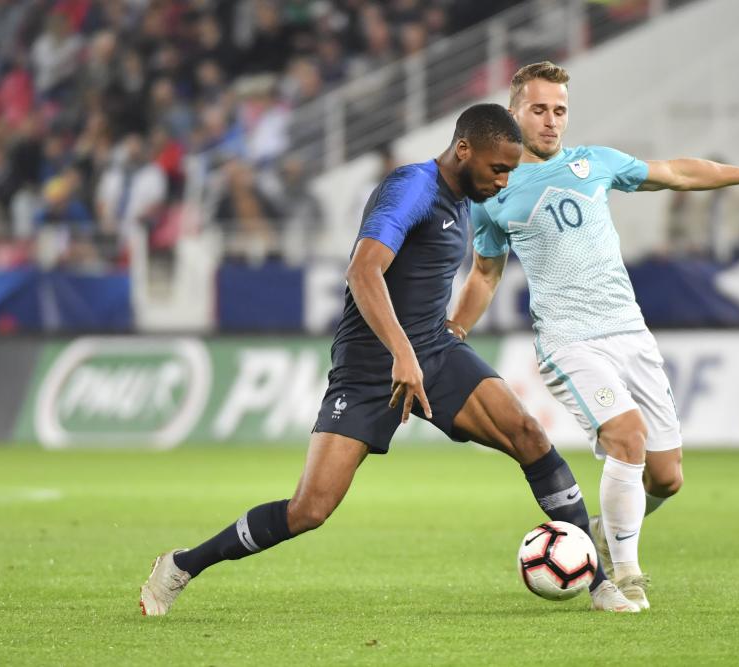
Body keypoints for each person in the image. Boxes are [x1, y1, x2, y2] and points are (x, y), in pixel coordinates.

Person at [139, 103, 638, 616]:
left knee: (530, 437)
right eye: (497, 168)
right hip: (369, 366)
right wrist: (401, 354)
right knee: (309, 509)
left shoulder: (467, 196)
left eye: (511, 170)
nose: (504, 180)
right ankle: (180, 566)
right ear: (463, 149)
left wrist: (437, 340)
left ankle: (600, 584)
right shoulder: (412, 188)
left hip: (434, 352)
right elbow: (362, 271)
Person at [448, 62, 739, 610]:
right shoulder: (495, 190)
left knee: (667, 476)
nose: (550, 121)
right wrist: (454, 330)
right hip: (569, 341)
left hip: (630, 334)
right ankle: (625, 575)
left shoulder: (596, 163)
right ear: (515, 112)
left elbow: (677, 172)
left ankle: (600, 533)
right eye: (538, 109)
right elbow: (485, 272)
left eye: (559, 110)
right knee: (626, 437)